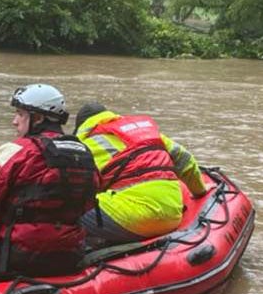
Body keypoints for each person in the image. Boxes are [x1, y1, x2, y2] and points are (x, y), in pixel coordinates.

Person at [0, 84, 98, 278]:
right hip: (71, 248)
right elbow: (89, 205)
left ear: (38, 118)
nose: (14, 121)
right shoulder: (83, 152)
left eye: (20, 114)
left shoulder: (17, 150)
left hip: (21, 252)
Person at [73, 103, 208, 248]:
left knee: (63, 212)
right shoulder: (148, 134)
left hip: (134, 218)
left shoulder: (86, 146)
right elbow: (186, 161)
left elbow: (73, 187)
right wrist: (200, 191)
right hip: (172, 215)